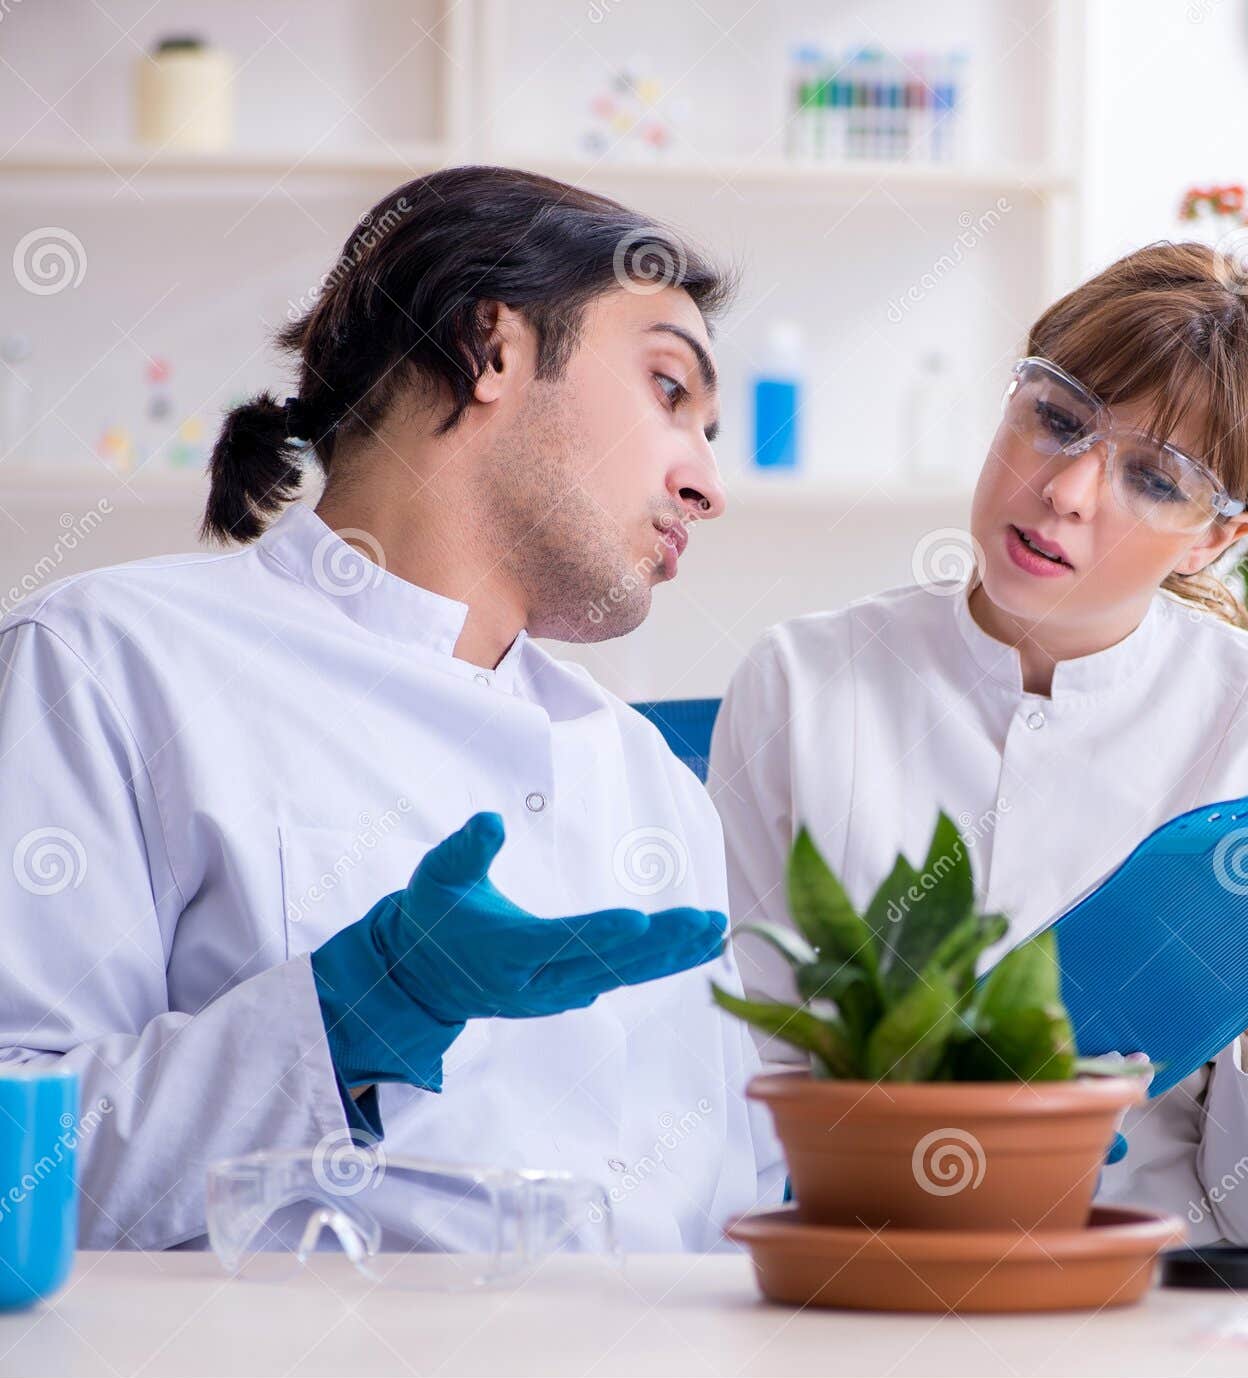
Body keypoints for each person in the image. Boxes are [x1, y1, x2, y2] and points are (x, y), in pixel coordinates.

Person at [0, 166, 782, 1252]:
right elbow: (14, 1170)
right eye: (668, 392)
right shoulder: (108, 664)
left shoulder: (647, 776)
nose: (707, 484)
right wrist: (344, 1016)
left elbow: (737, 1203)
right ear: (491, 348)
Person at [709, 241, 1248, 1254]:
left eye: (1153, 480)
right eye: (1057, 419)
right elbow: (736, 1101)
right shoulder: (804, 682)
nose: (1069, 491)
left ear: (1216, 537)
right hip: (854, 1289)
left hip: (1148, 1310)